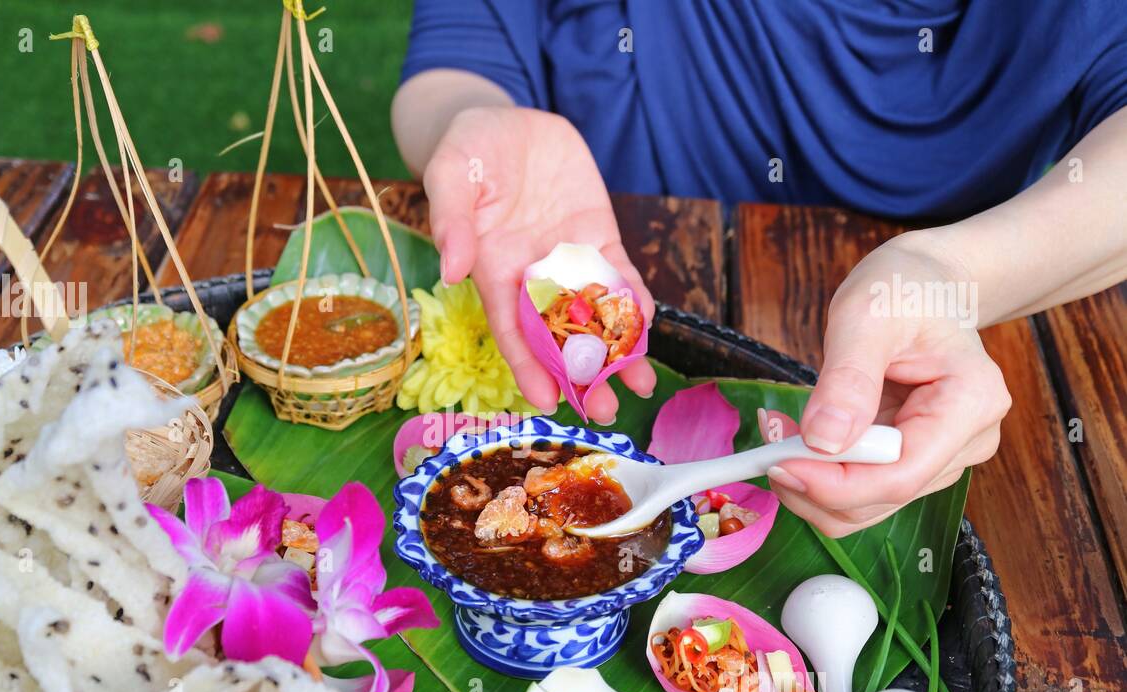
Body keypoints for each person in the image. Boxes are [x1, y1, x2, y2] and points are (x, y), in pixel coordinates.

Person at [390, 0, 1127, 536]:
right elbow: (462, 48)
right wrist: (473, 130)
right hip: (633, 300)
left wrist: (952, 273)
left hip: (993, 398)